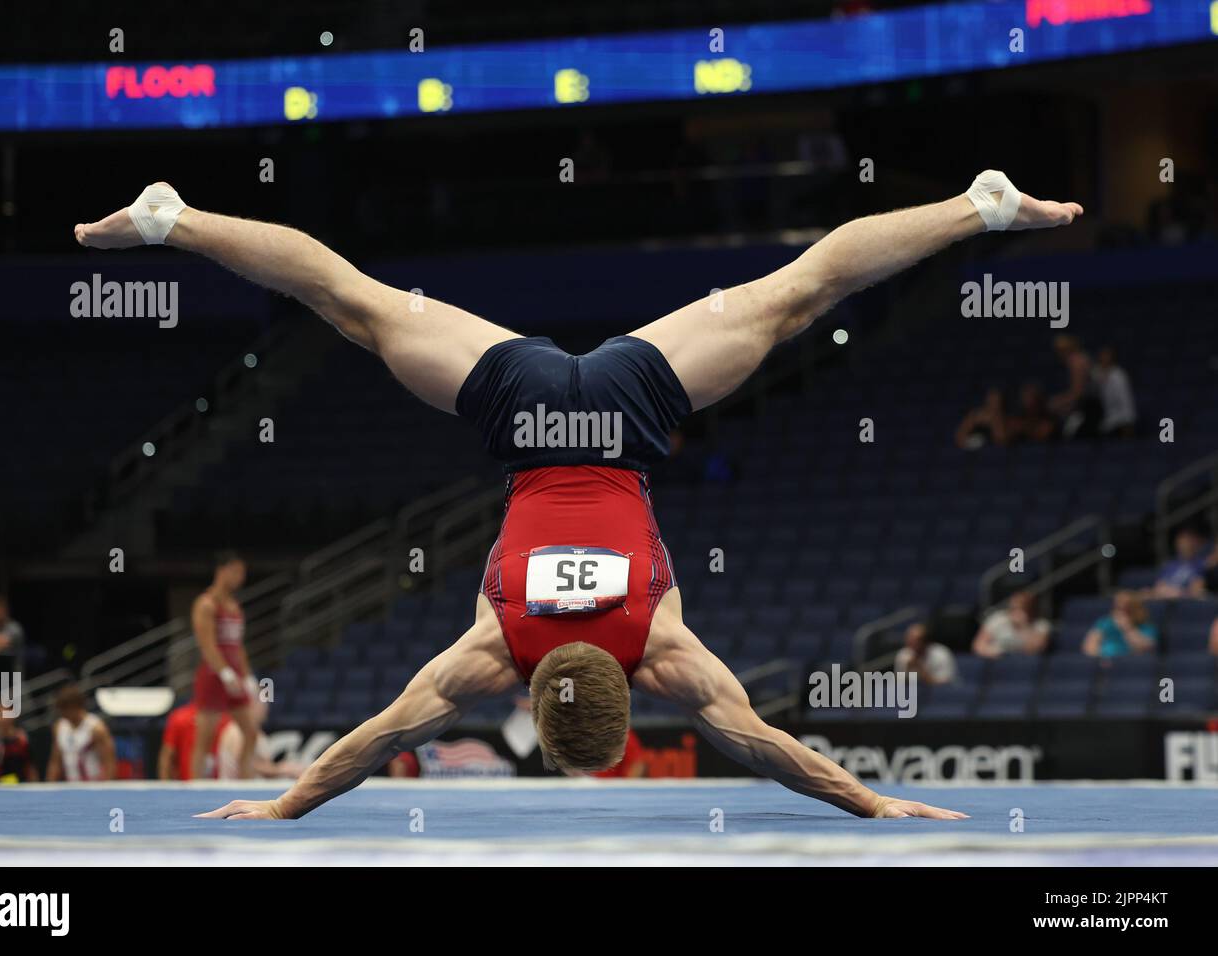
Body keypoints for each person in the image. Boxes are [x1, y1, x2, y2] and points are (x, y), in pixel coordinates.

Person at [75, 168, 1081, 821]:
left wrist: (871, 802)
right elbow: (378, 736)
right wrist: (286, 803)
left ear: (631, 694)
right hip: (523, 410)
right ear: (532, 691)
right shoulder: (493, 652)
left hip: (628, 405)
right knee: (358, 306)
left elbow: (769, 745)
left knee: (796, 293)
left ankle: (975, 206)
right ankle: (181, 218)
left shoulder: (658, 648)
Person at [188, 552, 259, 779]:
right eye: (237, 572)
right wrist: (226, 674)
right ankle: (195, 788)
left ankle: (245, 781)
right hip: (213, 676)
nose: (241, 578)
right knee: (204, 738)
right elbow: (207, 645)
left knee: (250, 732)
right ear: (222, 570)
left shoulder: (235, 607)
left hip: (235, 677)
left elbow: (238, 647)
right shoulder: (205, 604)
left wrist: (247, 676)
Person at [45, 683, 116, 782]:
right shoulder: (59, 727)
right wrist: (50, 787)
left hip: (93, 786)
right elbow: (55, 762)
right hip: (71, 787)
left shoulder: (96, 728)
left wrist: (104, 790)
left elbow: (109, 763)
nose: (62, 714)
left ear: (74, 707)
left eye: (64, 710)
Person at [159, 700, 229, 781]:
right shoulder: (179, 718)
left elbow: (167, 757)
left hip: (217, 784)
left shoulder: (227, 719)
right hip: (189, 785)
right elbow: (167, 756)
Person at [1049, 335, 1101, 439]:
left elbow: (1078, 394)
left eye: (1061, 350)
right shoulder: (1079, 359)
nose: (1059, 354)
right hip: (1087, 406)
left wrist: (1057, 402)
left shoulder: (1077, 362)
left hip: (1090, 410)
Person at [972, 591, 1051, 658]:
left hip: (1024, 665)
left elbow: (1035, 649)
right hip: (997, 661)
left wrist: (1023, 627)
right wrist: (999, 654)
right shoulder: (998, 619)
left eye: (1021, 608)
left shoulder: (1041, 625)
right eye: (1013, 608)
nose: (1015, 612)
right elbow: (978, 646)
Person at [1082, 591, 1157, 658]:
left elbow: (1144, 648)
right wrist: (1101, 660)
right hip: (1104, 661)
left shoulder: (1146, 625)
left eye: (1126, 608)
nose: (1121, 612)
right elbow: (1089, 646)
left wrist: (1127, 628)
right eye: (1118, 607)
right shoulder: (1105, 622)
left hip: (1129, 664)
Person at [1148, 528, 1209, 599]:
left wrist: (1178, 593)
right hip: (1164, 598)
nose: (1185, 545)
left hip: (1182, 600)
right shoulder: (1170, 565)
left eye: (1188, 542)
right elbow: (1159, 586)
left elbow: (1196, 591)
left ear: (1195, 544)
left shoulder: (1200, 564)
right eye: (1182, 542)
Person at [1092, 346, 1136, 438]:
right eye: (1102, 355)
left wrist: (1128, 423)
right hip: (1101, 418)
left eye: (1107, 356)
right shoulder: (1096, 373)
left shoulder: (1119, 376)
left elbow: (1126, 402)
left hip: (1119, 420)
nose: (1104, 358)